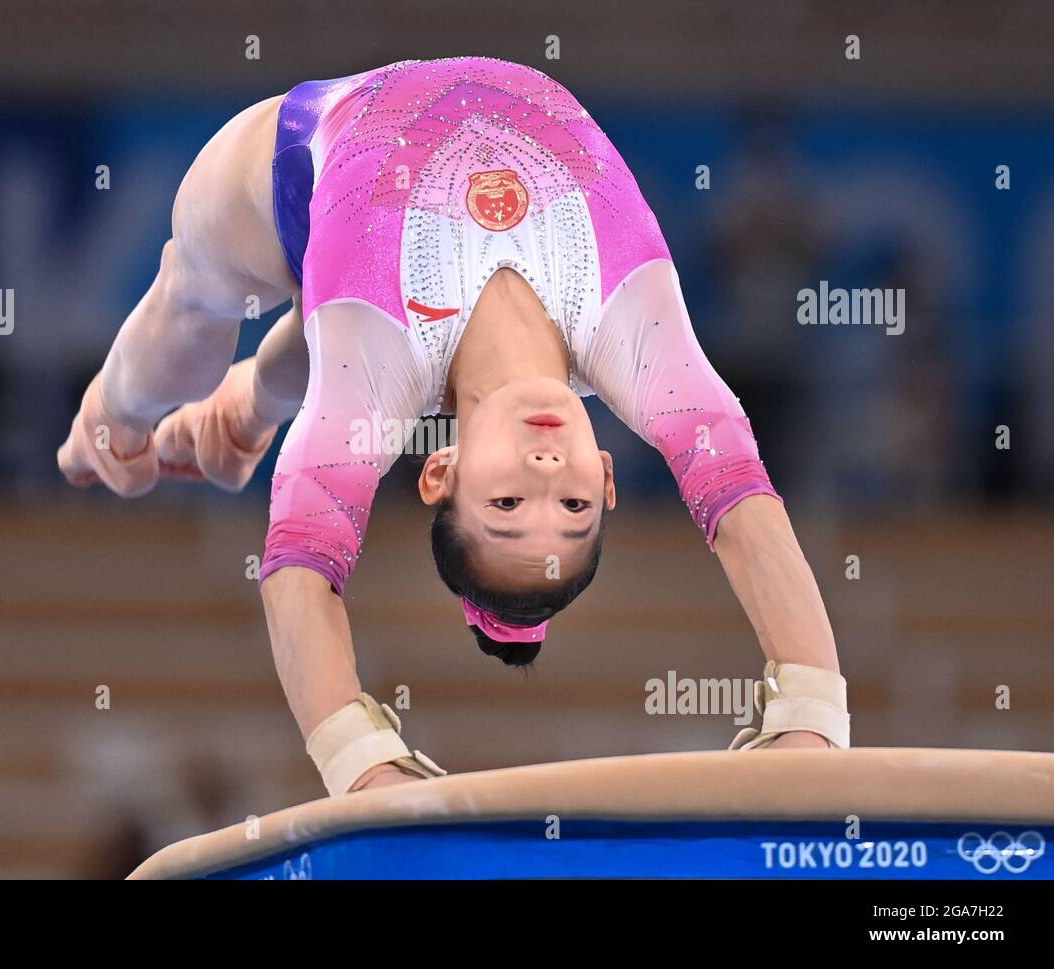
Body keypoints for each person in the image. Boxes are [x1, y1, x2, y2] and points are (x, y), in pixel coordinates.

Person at [58, 57, 849, 797]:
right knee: (333, 346)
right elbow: (743, 504)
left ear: (440, 472)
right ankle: (251, 404)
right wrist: (814, 711)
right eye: (573, 508)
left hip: (301, 166)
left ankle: (112, 419)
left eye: (507, 506)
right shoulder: (639, 340)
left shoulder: (377, 376)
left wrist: (361, 764)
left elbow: (299, 569)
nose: (545, 470)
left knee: (194, 311)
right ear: (607, 476)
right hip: (370, 305)